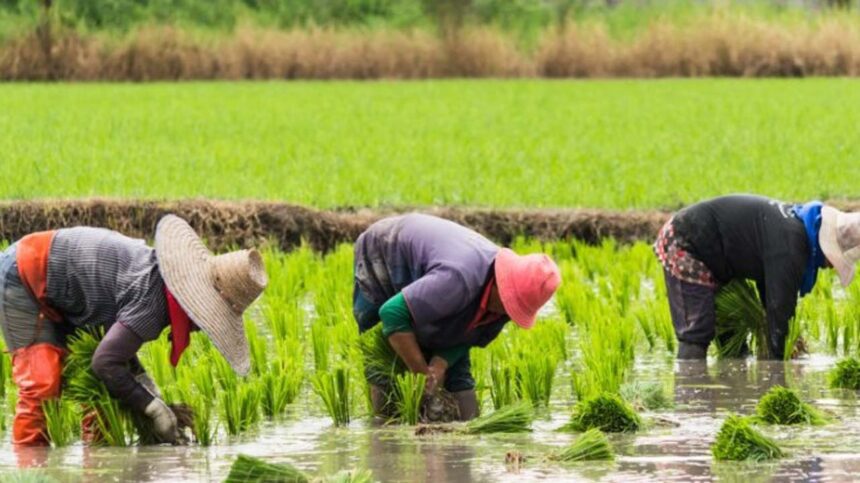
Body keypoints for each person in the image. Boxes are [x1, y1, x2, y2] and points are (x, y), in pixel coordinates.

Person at [0, 214, 268, 445]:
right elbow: (106, 362)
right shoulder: (155, 302)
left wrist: (148, 389)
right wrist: (154, 410)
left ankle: (97, 469)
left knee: (101, 397)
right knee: (42, 386)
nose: (204, 326)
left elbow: (119, 350)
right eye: (210, 317)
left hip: (70, 293)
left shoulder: (161, 288)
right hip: (25, 274)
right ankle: (28, 469)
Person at [353, 213, 561, 420]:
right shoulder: (457, 279)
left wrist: (439, 365)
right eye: (510, 304)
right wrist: (421, 372)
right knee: (382, 363)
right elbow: (392, 313)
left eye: (516, 309)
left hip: (440, 274)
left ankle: (466, 435)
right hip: (385, 250)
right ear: (500, 283)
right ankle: (381, 433)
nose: (508, 313)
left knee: (457, 376)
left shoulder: (501, 309)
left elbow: (467, 337)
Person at [654, 194, 860, 360]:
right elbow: (780, 309)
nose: (832, 267)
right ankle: (691, 401)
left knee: (735, 341)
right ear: (825, 244)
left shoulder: (796, 228)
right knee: (696, 333)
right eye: (836, 259)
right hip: (685, 243)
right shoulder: (791, 247)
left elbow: (770, 294)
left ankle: (729, 393)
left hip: (717, 257)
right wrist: (779, 366)